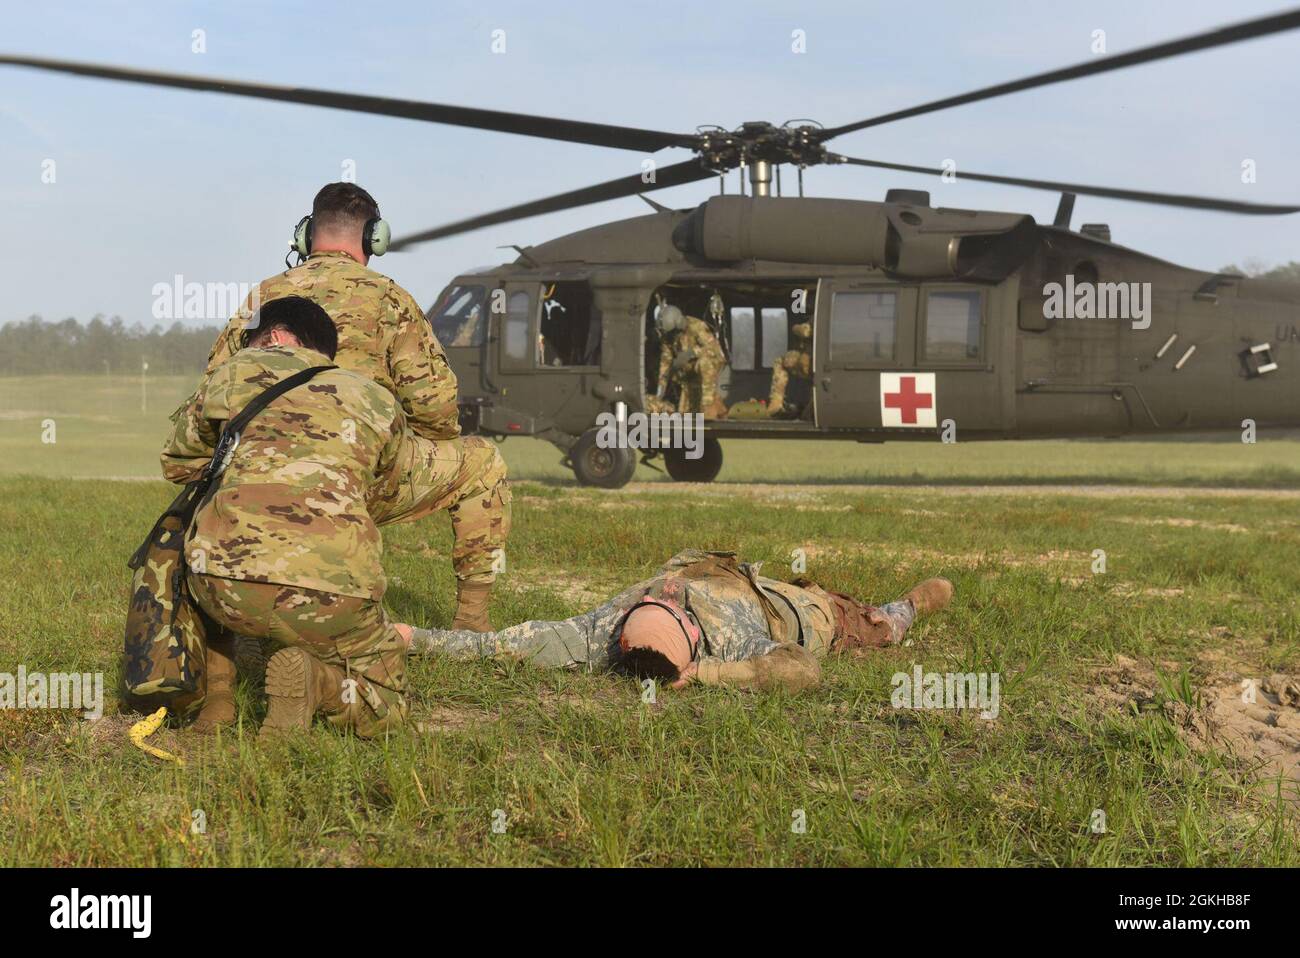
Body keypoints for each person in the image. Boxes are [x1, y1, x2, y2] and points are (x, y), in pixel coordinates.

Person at [170, 182, 509, 629]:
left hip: (258, 475)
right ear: (375, 238)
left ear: (307, 236)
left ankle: (235, 621)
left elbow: (210, 396)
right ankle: (471, 623)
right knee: (483, 464)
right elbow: (438, 410)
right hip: (357, 477)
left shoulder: (263, 298)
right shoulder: (391, 299)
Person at [162, 296, 435, 736]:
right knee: (387, 707)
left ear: (273, 335)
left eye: (249, 339)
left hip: (223, 588)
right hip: (332, 596)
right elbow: (385, 487)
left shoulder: (232, 374)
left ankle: (218, 700)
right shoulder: (376, 398)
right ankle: (321, 683)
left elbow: (178, 464)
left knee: (203, 530)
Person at [408, 550, 953, 692]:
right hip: (804, 612)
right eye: (668, 603)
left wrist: (411, 636)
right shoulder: (732, 642)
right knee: (874, 622)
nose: (665, 594)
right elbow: (802, 672)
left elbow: (503, 644)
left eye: (658, 601)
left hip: (734, 574)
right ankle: (907, 607)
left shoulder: (607, 625)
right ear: (693, 638)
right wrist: (713, 676)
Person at [646, 305, 728, 419]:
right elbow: (665, 364)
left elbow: (715, 351)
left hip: (708, 369)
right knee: (687, 414)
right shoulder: (669, 336)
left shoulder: (696, 327)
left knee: (705, 363)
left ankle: (708, 406)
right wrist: (660, 392)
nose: (671, 336)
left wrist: (691, 353)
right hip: (688, 375)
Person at [767, 322, 812, 417]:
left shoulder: (821, 315)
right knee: (783, 361)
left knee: (782, 361)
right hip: (815, 358)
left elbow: (805, 331)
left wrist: (799, 328)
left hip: (813, 359)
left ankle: (776, 402)